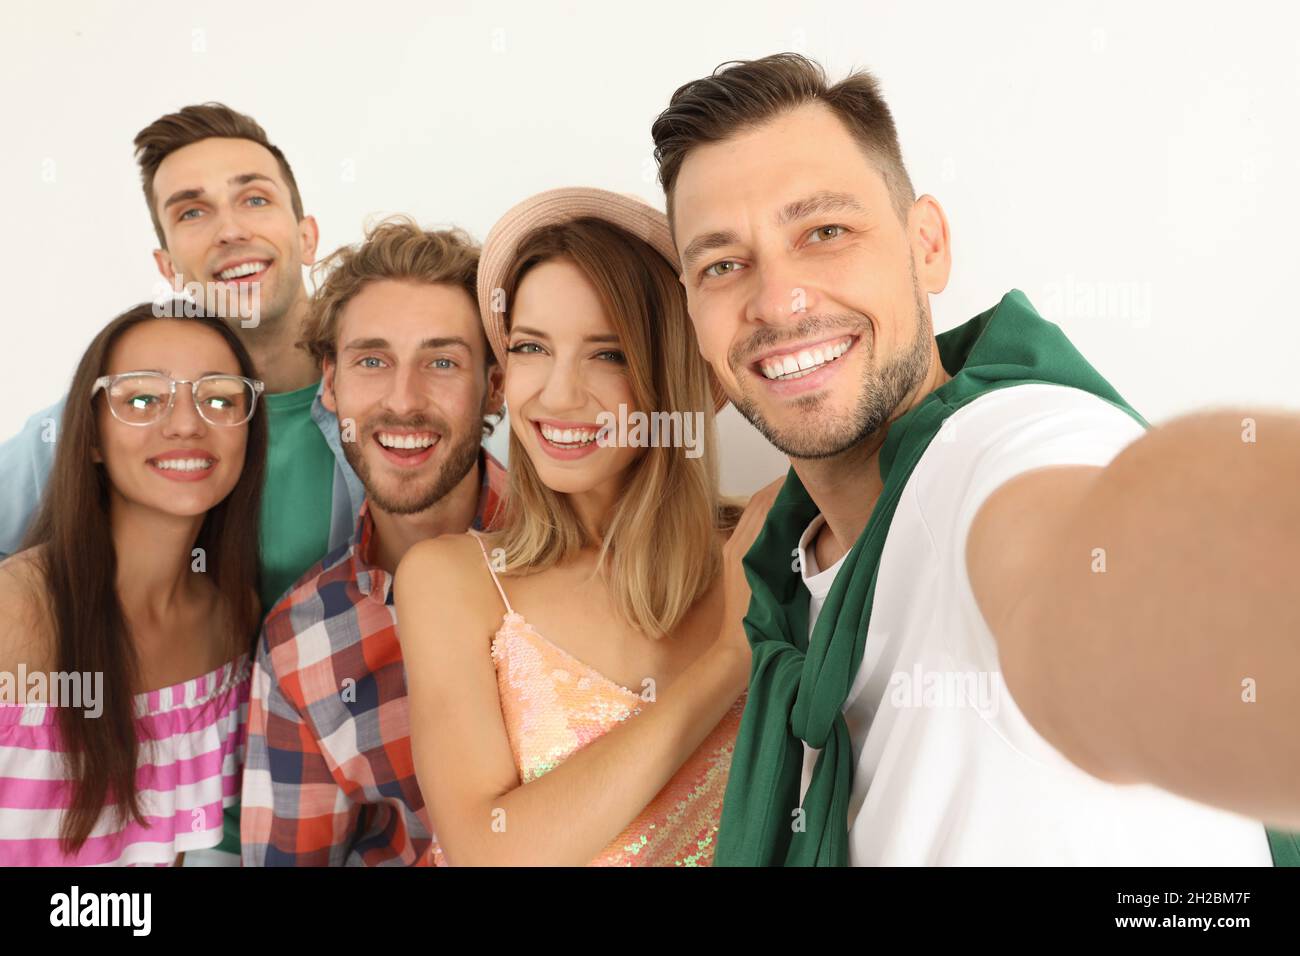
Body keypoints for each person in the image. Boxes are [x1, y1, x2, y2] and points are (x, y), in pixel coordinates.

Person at [649, 52, 1300, 865]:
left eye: (824, 232)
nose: (779, 300)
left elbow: (1085, 557)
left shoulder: (1007, 449)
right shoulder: (783, 572)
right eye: (722, 264)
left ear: (928, 246)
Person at [0, 103, 364, 863]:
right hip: (172, 839)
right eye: (192, 211)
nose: (229, 228)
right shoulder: (74, 429)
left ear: (307, 236)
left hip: (347, 829)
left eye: (254, 198)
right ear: (167, 264)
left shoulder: (387, 417)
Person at [395, 188, 764, 867]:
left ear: (675, 373)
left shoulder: (766, 549)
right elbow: (489, 850)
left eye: (609, 354)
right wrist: (727, 661)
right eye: (532, 348)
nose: (558, 395)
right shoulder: (454, 581)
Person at [241, 217, 508, 865]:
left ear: (494, 385)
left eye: (442, 361)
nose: (403, 400)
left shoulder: (597, 555)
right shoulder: (298, 643)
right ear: (330, 384)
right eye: (371, 361)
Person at [0, 303, 266, 865]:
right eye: (142, 399)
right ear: (91, 439)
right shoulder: (14, 612)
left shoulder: (232, 620)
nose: (188, 423)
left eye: (220, 399)